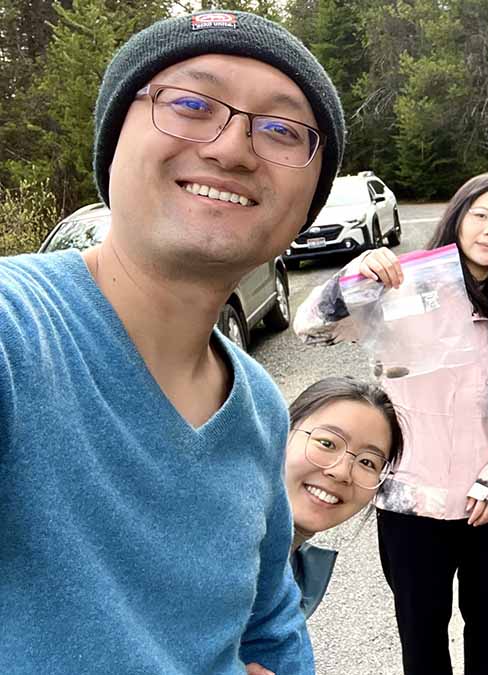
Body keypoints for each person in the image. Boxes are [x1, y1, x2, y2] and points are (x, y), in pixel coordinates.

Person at [0, 10, 344, 675]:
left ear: (305, 205)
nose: (232, 148)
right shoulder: (17, 331)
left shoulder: (262, 411)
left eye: (280, 129)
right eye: (190, 103)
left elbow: (271, 623)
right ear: (111, 144)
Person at [294, 171, 488, 675]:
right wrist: (355, 276)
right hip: (411, 499)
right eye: (481, 215)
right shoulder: (401, 283)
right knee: (422, 633)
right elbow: (309, 329)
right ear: (457, 217)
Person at [284, 377, 404, 619]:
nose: (341, 472)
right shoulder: (212, 560)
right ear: (279, 431)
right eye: (327, 443)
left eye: (367, 462)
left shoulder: (285, 572)